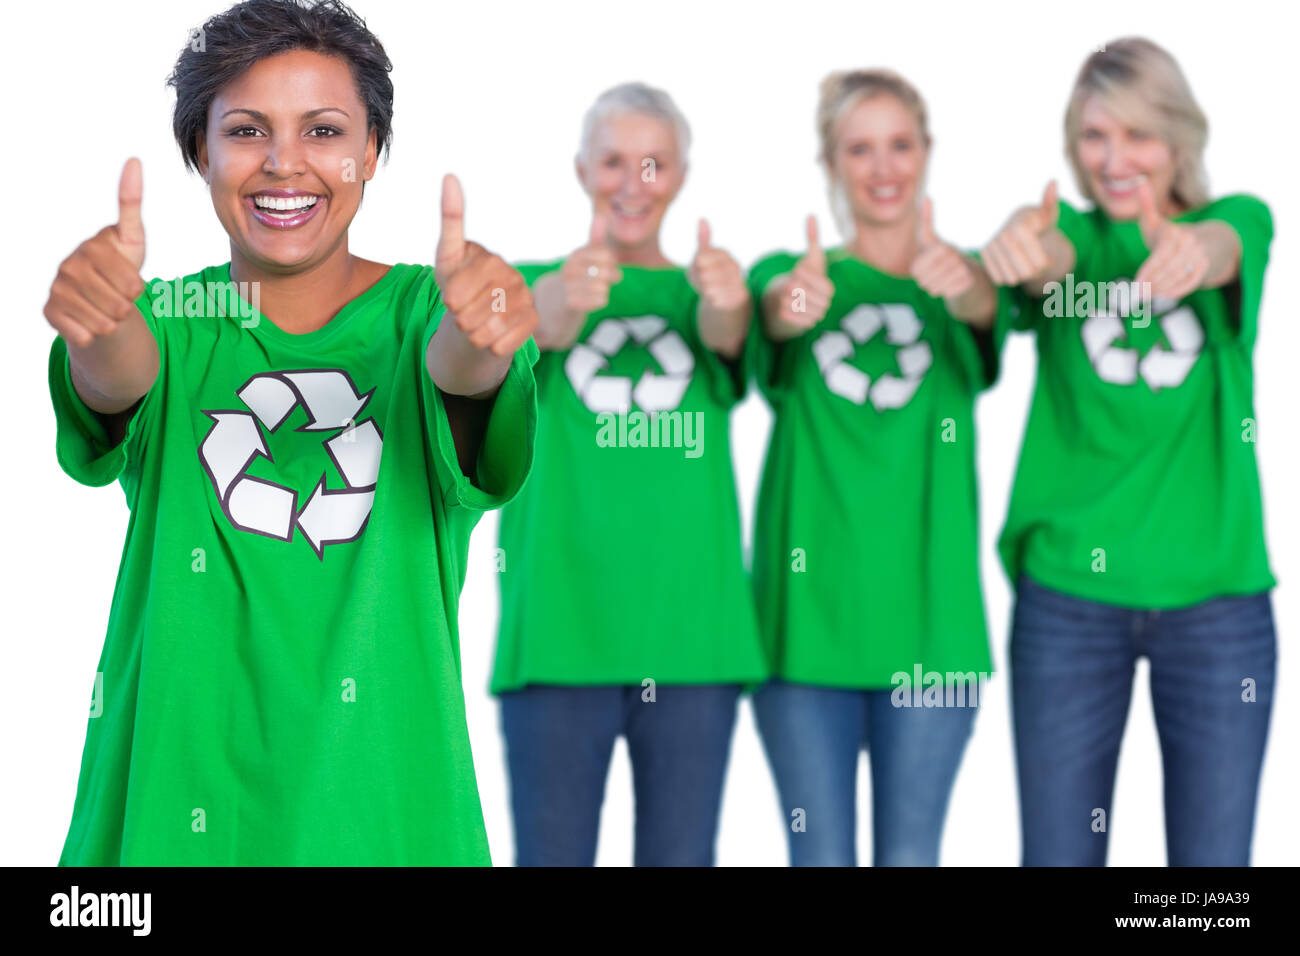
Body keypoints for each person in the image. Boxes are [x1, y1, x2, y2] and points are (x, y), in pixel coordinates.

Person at [43, 0, 538, 865]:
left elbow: (460, 368)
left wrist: (480, 324)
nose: (283, 163)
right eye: (244, 130)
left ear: (373, 152)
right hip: (178, 808)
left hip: (386, 818)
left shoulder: (425, 312)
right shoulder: (170, 320)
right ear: (200, 152)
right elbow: (119, 372)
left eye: (323, 130)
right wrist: (96, 319)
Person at [983, 37, 1276, 866]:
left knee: (1208, 894)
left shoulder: (1240, 222)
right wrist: (1023, 249)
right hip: (1069, 605)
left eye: (1138, 135)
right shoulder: (1073, 234)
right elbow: (1050, 265)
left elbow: (1226, 245)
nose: (1115, 159)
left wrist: (1194, 251)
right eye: (1093, 136)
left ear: (1180, 137)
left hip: (1217, 608)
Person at [492, 82, 767, 866]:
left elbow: (727, 339)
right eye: (613, 160)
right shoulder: (526, 279)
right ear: (581, 169)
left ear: (680, 175)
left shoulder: (707, 291)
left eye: (653, 163)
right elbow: (525, 328)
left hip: (694, 645)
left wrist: (725, 300)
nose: (631, 182)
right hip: (557, 639)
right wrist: (556, 307)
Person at [748, 69, 1000, 866]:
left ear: (927, 154)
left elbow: (990, 314)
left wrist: (971, 289)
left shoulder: (962, 285)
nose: (883, 167)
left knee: (911, 859)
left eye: (899, 145)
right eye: (861, 148)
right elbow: (772, 316)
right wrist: (794, 301)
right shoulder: (793, 275)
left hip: (933, 632)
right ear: (831, 162)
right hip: (803, 633)